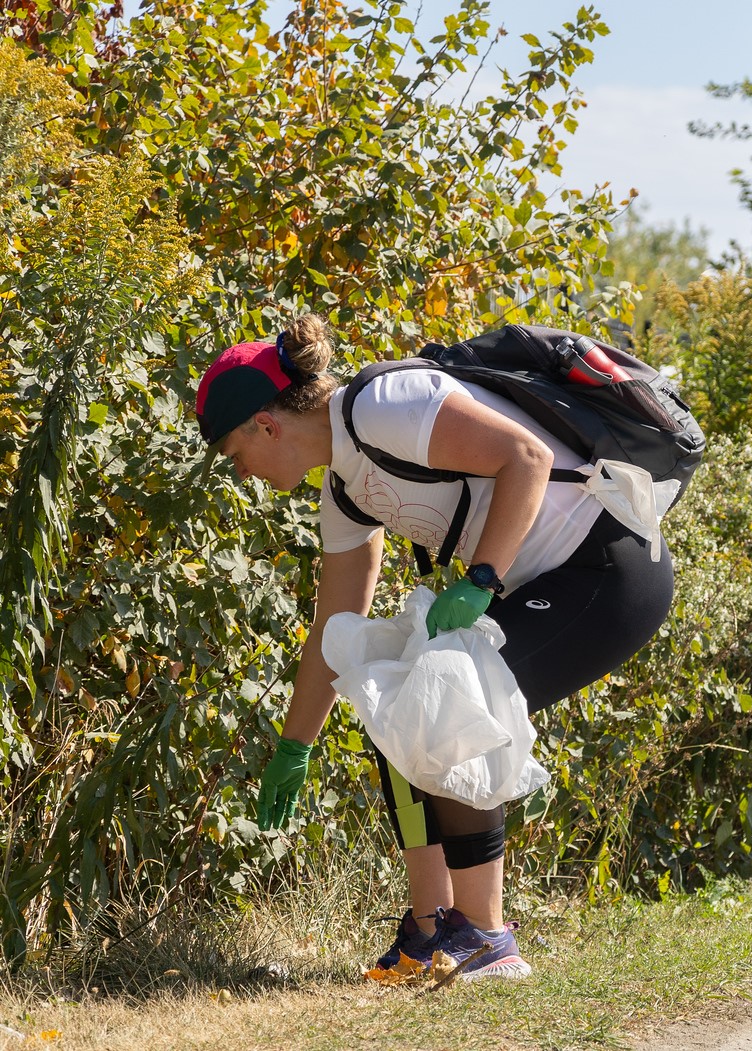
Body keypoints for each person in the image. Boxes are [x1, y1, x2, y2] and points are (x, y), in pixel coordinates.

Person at [193, 314, 675, 980]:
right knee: (383, 687)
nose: (242, 473)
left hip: (609, 569)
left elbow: (526, 459)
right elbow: (336, 631)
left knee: (450, 695)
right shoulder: (344, 488)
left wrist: (482, 580)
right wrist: (294, 745)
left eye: (234, 456)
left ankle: (485, 938)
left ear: (264, 425)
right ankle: (430, 931)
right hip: (555, 579)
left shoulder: (383, 406)